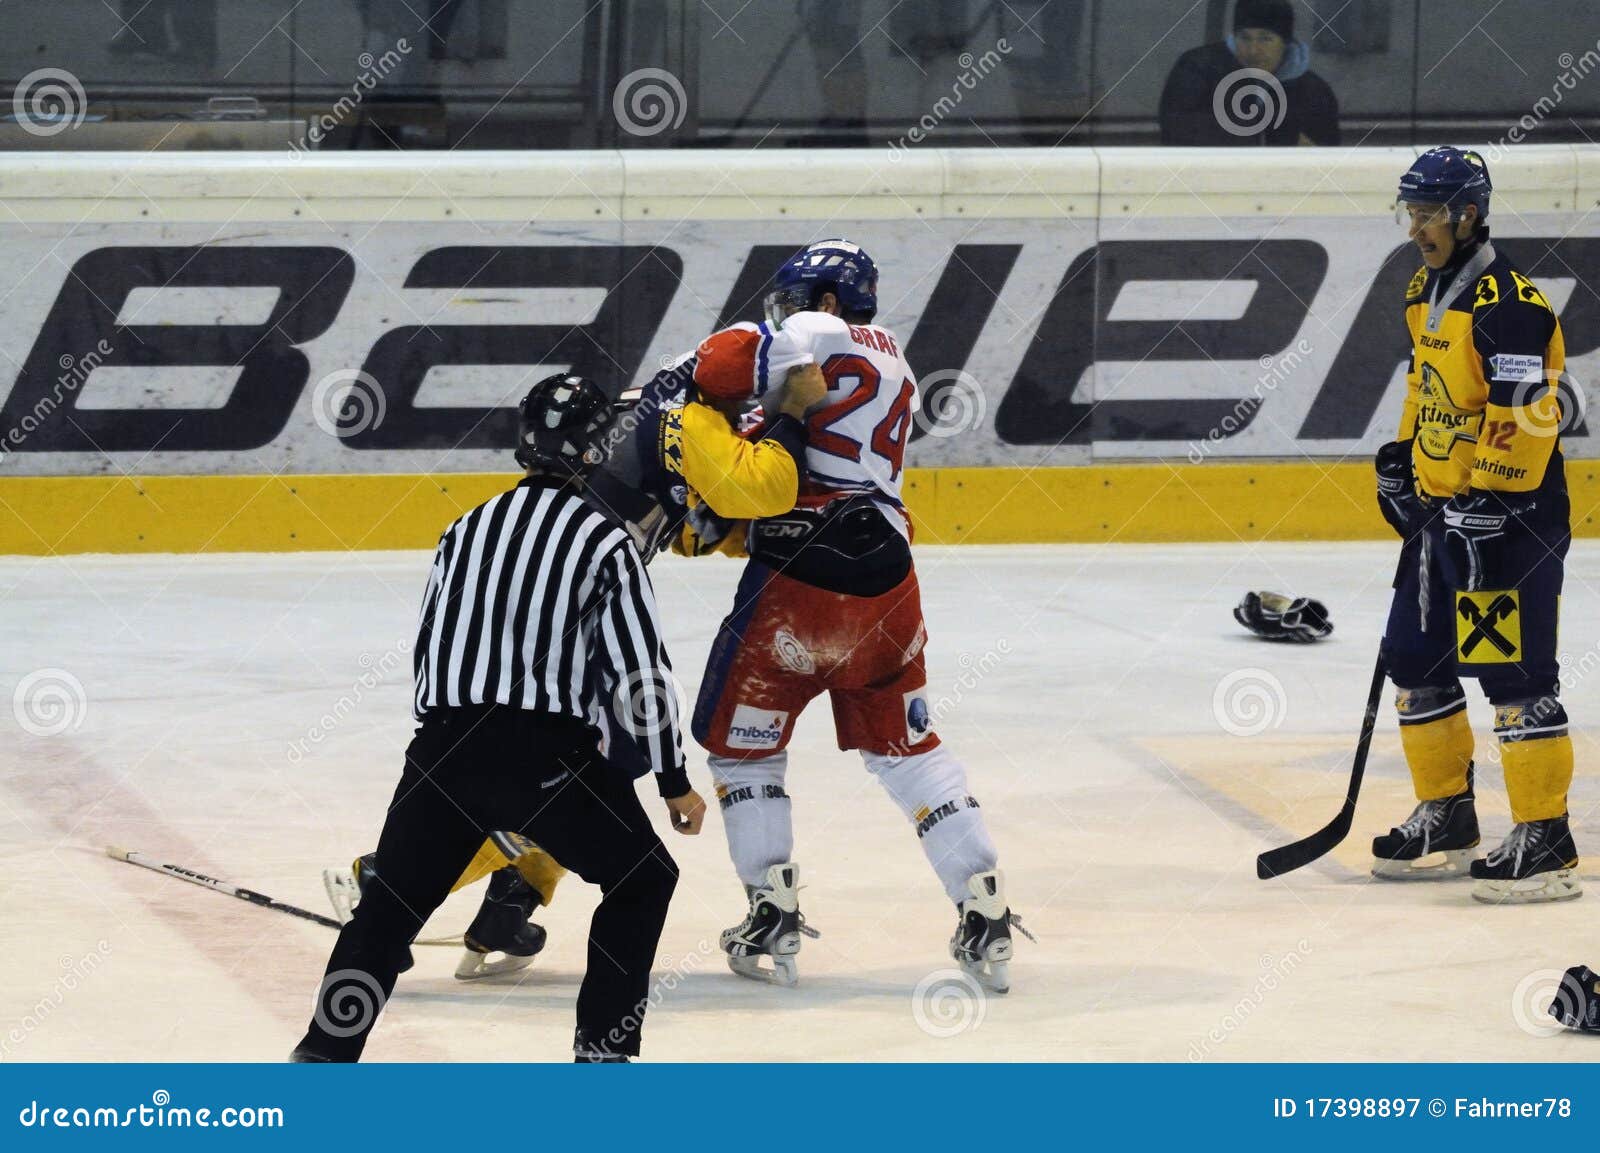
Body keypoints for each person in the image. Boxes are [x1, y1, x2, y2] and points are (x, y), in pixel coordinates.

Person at [319, 340, 828, 983]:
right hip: (577, 605)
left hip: (545, 601)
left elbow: (678, 513)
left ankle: (510, 900)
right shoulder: (694, 423)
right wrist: (793, 418)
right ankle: (384, 877)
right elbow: (761, 489)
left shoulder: (659, 404)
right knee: (585, 771)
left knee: (576, 765)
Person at [291, 373, 703, 1064]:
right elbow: (640, 677)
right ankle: (603, 1056)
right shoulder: (605, 543)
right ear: (599, 448)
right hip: (545, 758)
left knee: (388, 910)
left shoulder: (466, 526)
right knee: (642, 879)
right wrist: (673, 780)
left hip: (443, 746)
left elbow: (431, 645)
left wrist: (438, 750)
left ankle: (323, 1055)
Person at [693, 239, 1028, 992]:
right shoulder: (898, 360)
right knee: (909, 750)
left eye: (796, 300)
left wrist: (674, 395)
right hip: (888, 577)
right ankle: (984, 906)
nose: (783, 317)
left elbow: (719, 366)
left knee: (745, 750)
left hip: (800, 575)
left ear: (830, 300)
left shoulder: (817, 333)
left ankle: (771, 909)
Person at [1369, 147, 1579, 905]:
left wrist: (1488, 500)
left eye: (1429, 212)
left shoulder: (1510, 305)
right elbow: (1428, 389)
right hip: (1441, 519)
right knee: (1416, 658)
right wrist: (1402, 458)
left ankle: (1545, 838)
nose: (1417, 226)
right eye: (1412, 212)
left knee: (1514, 680)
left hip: (1507, 529)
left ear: (1467, 212)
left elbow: (1526, 414)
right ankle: (1449, 815)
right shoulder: (1425, 289)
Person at [1158, 0, 1339, 146]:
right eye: (1244, 38)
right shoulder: (1196, 69)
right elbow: (1177, 129)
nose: (1253, 50)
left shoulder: (1314, 91)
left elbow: (1327, 155)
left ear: (1286, 44)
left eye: (1265, 39)